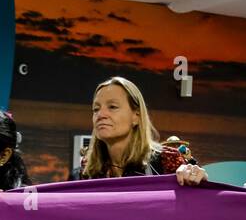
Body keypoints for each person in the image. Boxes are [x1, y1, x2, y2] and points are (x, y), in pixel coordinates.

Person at [78, 76, 207, 185]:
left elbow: (196, 203)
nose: (101, 115)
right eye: (96, 109)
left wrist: (196, 178)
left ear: (136, 116)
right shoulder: (87, 167)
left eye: (112, 107)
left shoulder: (167, 159)